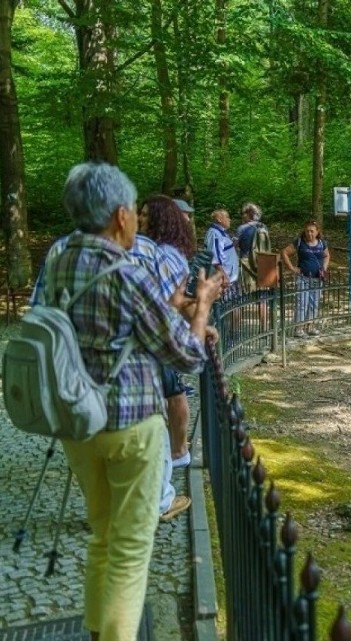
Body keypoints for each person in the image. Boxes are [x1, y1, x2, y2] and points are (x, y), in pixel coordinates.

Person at [47, 162, 221, 641]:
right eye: (134, 215)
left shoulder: (58, 257)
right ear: (121, 216)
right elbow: (185, 356)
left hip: (77, 420)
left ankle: (98, 628)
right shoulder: (126, 271)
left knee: (103, 534)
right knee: (128, 546)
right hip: (130, 423)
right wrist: (202, 302)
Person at [141, 195, 197, 480]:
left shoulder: (163, 254)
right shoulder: (166, 251)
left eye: (146, 215)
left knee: (172, 391)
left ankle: (178, 451)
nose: (140, 219)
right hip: (163, 331)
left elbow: (172, 299)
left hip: (160, 333)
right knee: (171, 391)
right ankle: (176, 450)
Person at [281, 220, 329, 337]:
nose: (309, 233)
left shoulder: (322, 243)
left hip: (317, 278)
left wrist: (324, 268)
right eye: (307, 231)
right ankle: (299, 329)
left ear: (317, 232)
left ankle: (311, 326)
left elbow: (327, 255)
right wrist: (292, 268)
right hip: (303, 277)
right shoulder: (299, 242)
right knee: (302, 303)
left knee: (314, 303)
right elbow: (284, 253)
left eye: (312, 231)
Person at [204, 208, 239, 299]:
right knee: (226, 306)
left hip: (230, 276)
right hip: (224, 278)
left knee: (232, 305)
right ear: (219, 219)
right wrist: (223, 275)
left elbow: (224, 251)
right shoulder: (215, 234)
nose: (229, 219)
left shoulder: (222, 233)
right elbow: (214, 256)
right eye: (227, 217)